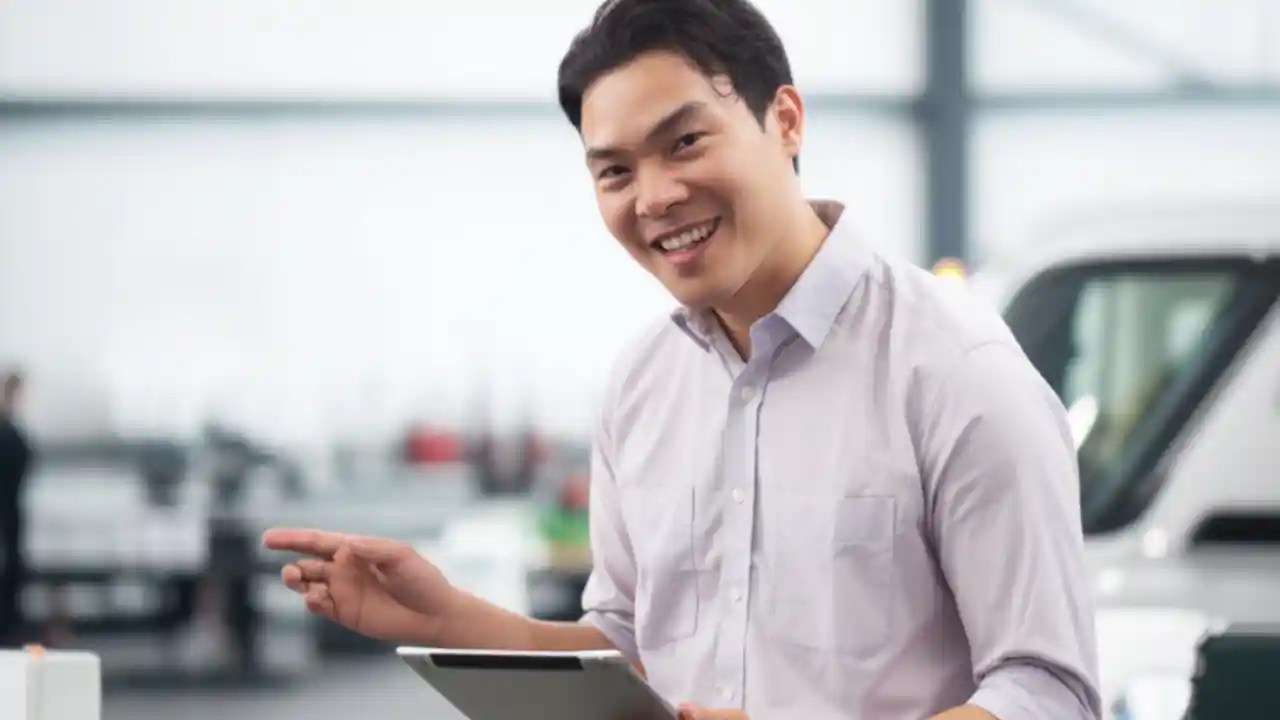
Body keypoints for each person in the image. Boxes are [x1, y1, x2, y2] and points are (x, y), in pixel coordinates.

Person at [263, 1, 1101, 718]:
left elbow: (1049, 690)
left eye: (686, 142)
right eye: (616, 171)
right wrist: (448, 619)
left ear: (786, 121)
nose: (655, 196)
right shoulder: (642, 386)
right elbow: (627, 652)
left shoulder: (956, 371)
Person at [0, 371, 33, 645]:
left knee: (12, 571)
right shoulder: (8, 433)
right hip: (7, 513)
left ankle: (9, 628)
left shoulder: (12, 430)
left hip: (12, 514)